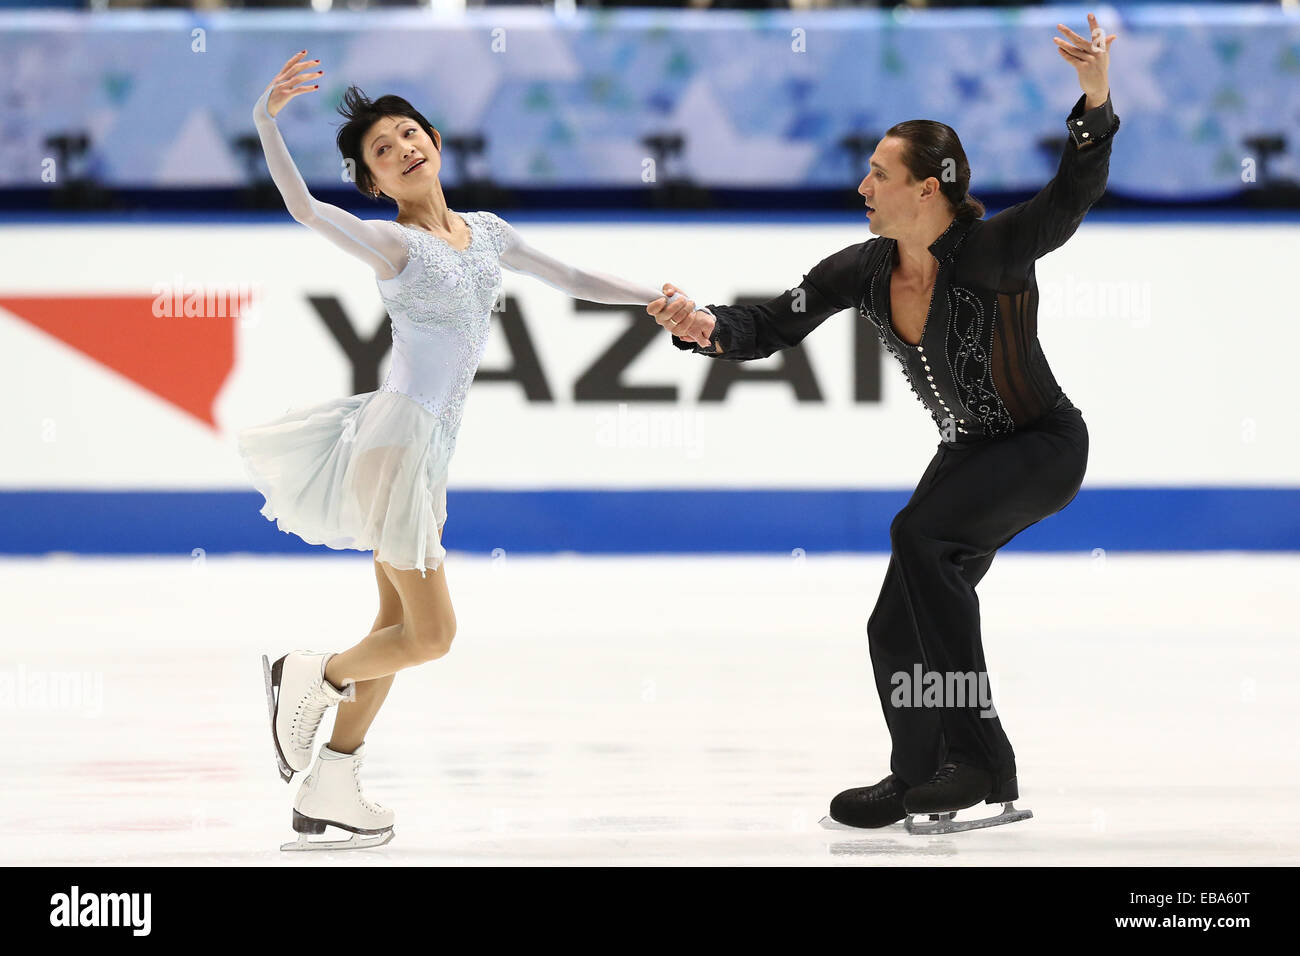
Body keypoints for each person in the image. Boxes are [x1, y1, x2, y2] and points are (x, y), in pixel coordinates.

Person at [649, 15, 1118, 832]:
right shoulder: (861, 270)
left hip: (1042, 447)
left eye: (878, 173)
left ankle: (974, 759)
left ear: (925, 187)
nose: (862, 187)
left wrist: (1094, 98)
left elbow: (1072, 192)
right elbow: (770, 325)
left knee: (919, 536)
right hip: (968, 451)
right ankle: (919, 771)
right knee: (894, 617)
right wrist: (705, 326)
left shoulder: (999, 247)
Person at [239, 51, 689, 849]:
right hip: (399, 441)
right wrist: (266, 121)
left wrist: (651, 298)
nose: (403, 148)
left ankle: (333, 781)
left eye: (409, 133)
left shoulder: (486, 233)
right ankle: (309, 674)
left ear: (435, 139)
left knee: (393, 621)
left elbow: (572, 274)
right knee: (432, 635)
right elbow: (306, 209)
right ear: (374, 182)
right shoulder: (393, 246)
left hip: (426, 445)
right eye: (383, 150)